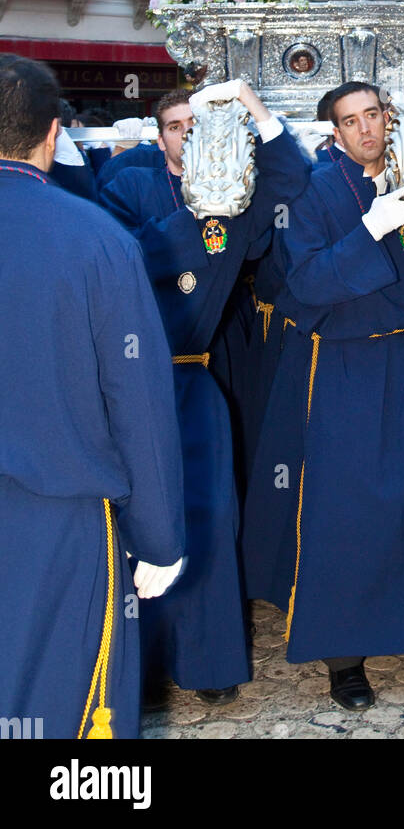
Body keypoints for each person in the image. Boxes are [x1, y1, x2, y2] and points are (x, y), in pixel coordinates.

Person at [243, 79, 404, 711]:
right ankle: (344, 655)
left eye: (375, 116)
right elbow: (307, 279)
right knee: (348, 513)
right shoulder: (314, 191)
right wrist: (371, 229)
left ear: (390, 117)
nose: (366, 130)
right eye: (351, 121)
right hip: (347, 365)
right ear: (335, 133)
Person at [99, 79, 310, 706]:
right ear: (158, 134)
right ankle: (137, 664)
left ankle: (209, 661)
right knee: (135, 525)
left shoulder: (238, 196)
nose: (189, 136)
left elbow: (292, 185)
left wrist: (253, 108)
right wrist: (196, 213)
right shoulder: (128, 187)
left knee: (209, 519)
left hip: (194, 380)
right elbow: (121, 256)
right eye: (176, 126)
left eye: (200, 125)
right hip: (130, 385)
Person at [0, 57, 185, 739]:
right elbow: (138, 404)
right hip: (63, 525)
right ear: (54, 135)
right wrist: (159, 539)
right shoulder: (98, 239)